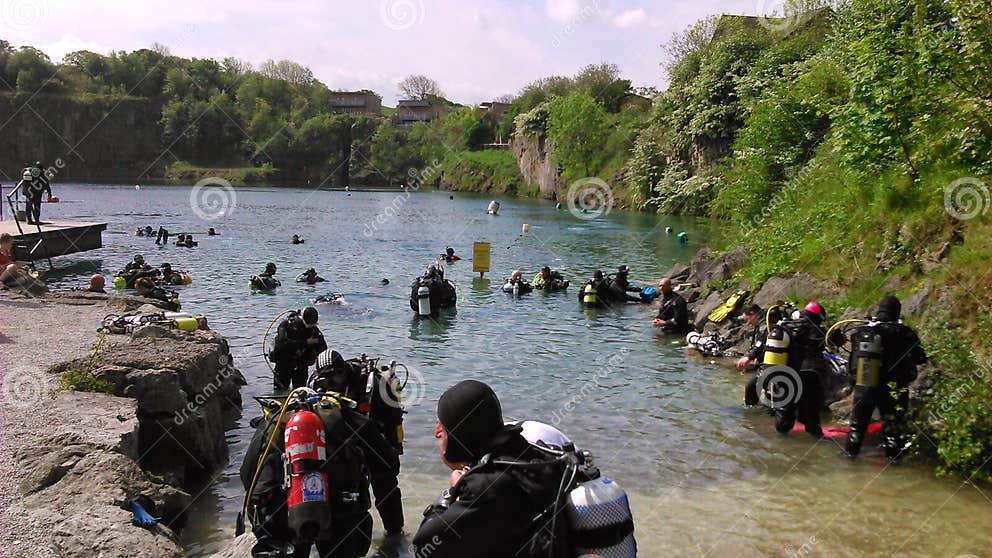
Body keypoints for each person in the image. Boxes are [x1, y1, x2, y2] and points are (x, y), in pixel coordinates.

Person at [413, 380, 565, 557]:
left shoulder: (485, 486)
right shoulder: (530, 454)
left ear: (460, 435)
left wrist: (451, 494)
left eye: (443, 426)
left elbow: (423, 548)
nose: (436, 433)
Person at [240, 389, 382, 558]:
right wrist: (394, 530)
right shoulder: (346, 418)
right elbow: (386, 465)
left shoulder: (273, 424)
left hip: (280, 519)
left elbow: (246, 476)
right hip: (342, 513)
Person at [845, 296, 927, 458]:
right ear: (897, 312)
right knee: (893, 431)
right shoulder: (904, 333)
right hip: (892, 389)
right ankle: (894, 465)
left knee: (856, 428)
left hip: (865, 385)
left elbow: (852, 360)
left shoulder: (863, 330)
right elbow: (921, 358)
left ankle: (849, 459)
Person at [269, 307, 327, 390]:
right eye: (309, 324)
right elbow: (281, 345)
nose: (310, 326)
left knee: (300, 392)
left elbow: (323, 350)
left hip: (301, 365)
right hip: (283, 363)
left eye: (313, 324)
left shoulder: (314, 330)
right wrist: (305, 342)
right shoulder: (286, 325)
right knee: (279, 391)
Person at [739, 304, 768, 406]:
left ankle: (750, 413)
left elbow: (761, 343)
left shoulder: (764, 325)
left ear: (752, 314)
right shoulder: (765, 321)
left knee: (750, 387)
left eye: (746, 320)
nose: (748, 323)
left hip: (773, 364)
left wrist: (748, 357)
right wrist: (757, 357)